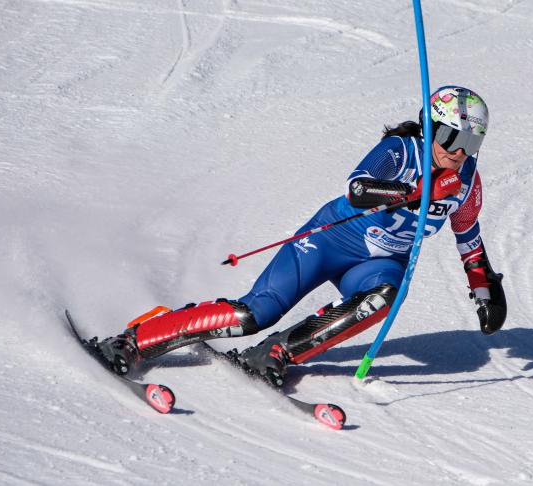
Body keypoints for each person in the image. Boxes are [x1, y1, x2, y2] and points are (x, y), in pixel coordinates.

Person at [98, 85, 507, 387]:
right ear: (430, 127)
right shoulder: (401, 150)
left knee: (384, 298)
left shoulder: (468, 182)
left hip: (382, 262)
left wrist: (484, 286)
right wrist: (414, 193)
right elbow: (358, 189)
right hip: (332, 239)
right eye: (451, 137)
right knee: (253, 313)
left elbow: (468, 236)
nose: (458, 151)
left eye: (470, 142)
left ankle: (276, 353)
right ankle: (134, 340)